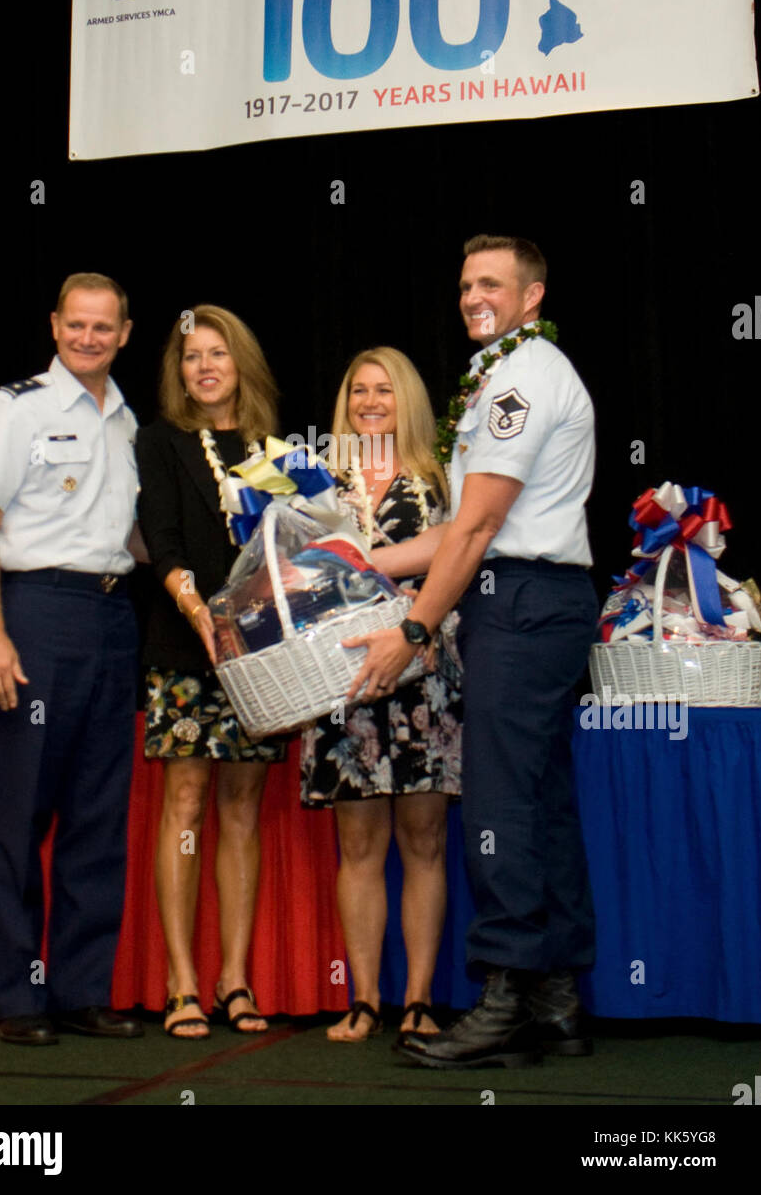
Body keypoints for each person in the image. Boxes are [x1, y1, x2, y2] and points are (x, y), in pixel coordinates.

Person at [345, 235, 597, 1068]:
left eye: (491, 283)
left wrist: (413, 628)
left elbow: (482, 528)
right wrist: (361, 562)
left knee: (499, 805)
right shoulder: (510, 370)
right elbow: (466, 528)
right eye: (463, 285)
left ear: (533, 296)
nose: (472, 296)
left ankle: (508, 994)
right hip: (532, 599)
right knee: (540, 800)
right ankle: (556, 1002)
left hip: (522, 601)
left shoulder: (520, 379)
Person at [0, 273, 144, 1045]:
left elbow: (132, 538)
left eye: (103, 327)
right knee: (24, 811)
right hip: (35, 613)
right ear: (55, 325)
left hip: (112, 615)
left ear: (125, 333)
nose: (89, 338)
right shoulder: (16, 408)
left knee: (98, 817)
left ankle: (79, 991)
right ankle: (18, 998)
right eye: (77, 325)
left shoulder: (130, 422)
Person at [300, 347, 462, 1042]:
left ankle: (419, 1000)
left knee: (423, 841)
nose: (370, 402)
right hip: (342, 680)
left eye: (384, 391)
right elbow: (296, 574)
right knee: (358, 847)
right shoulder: (315, 485)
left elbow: (460, 549)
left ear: (408, 402)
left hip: (423, 670)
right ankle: (364, 999)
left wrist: (415, 624)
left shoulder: (441, 476)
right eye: (358, 390)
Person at [136, 305, 286, 1039]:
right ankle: (181, 984)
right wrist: (198, 612)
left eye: (217, 354)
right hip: (184, 645)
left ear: (240, 364)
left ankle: (235, 979)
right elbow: (160, 542)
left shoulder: (275, 453)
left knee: (241, 811)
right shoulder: (160, 442)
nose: (203, 367)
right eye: (191, 355)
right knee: (186, 807)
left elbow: (296, 558)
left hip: (258, 658)